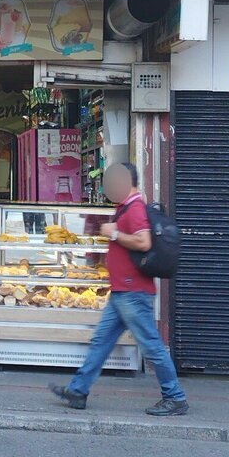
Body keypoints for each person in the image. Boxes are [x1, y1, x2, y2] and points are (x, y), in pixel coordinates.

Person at [50, 162, 189, 417]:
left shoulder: (134, 208)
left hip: (133, 293)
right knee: (101, 342)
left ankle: (175, 397)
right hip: (122, 293)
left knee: (152, 346)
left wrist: (113, 234)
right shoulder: (126, 207)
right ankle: (78, 391)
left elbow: (143, 242)